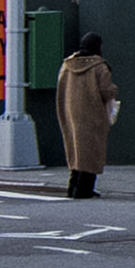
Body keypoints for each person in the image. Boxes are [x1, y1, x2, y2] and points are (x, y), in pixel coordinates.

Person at [57, 30, 118, 200]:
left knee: (76, 149)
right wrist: (114, 90)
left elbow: (61, 88)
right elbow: (106, 91)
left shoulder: (67, 65)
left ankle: (73, 187)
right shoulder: (99, 67)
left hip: (71, 113)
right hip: (93, 114)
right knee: (91, 151)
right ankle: (84, 189)